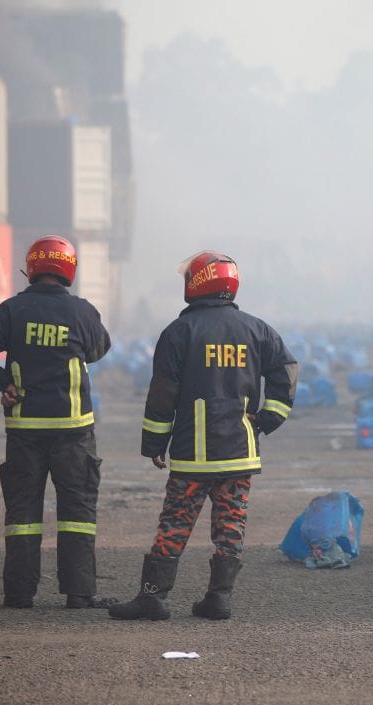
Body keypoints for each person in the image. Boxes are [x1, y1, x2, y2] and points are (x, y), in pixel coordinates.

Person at [110, 252, 297, 621]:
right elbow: (286, 373)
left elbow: (163, 393)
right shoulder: (257, 329)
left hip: (194, 455)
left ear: (195, 284)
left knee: (176, 521)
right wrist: (267, 420)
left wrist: (153, 443)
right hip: (240, 453)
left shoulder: (179, 332)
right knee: (230, 525)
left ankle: (153, 597)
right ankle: (219, 599)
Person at [0, 235, 114, 609]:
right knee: (77, 512)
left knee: (23, 514)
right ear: (69, 270)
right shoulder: (82, 311)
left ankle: (19, 594)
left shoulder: (11, 310)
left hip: (24, 432)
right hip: (73, 432)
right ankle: (79, 594)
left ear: (31, 268)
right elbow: (98, 350)